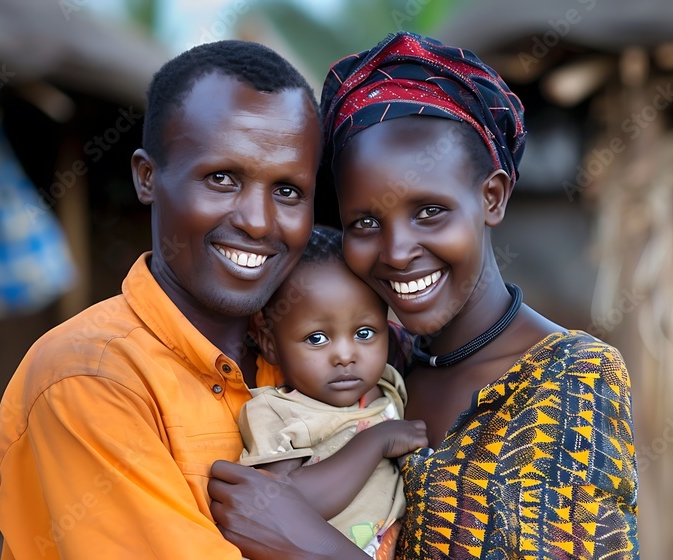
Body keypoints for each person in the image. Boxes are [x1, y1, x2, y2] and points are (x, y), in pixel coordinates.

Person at [209, 31, 640, 559]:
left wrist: (308, 545)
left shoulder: (570, 379)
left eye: (429, 211)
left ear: (492, 197)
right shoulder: (376, 364)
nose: (396, 250)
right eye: (365, 221)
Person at [0, 40, 330, 559]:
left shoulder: (322, 355)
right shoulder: (90, 378)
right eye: (222, 178)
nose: (257, 221)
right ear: (147, 177)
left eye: (287, 191)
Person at [239, 225, 427, 558]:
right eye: (317, 339)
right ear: (270, 342)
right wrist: (375, 442)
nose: (345, 355)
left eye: (365, 332)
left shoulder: (388, 385)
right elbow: (284, 505)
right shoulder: (278, 412)